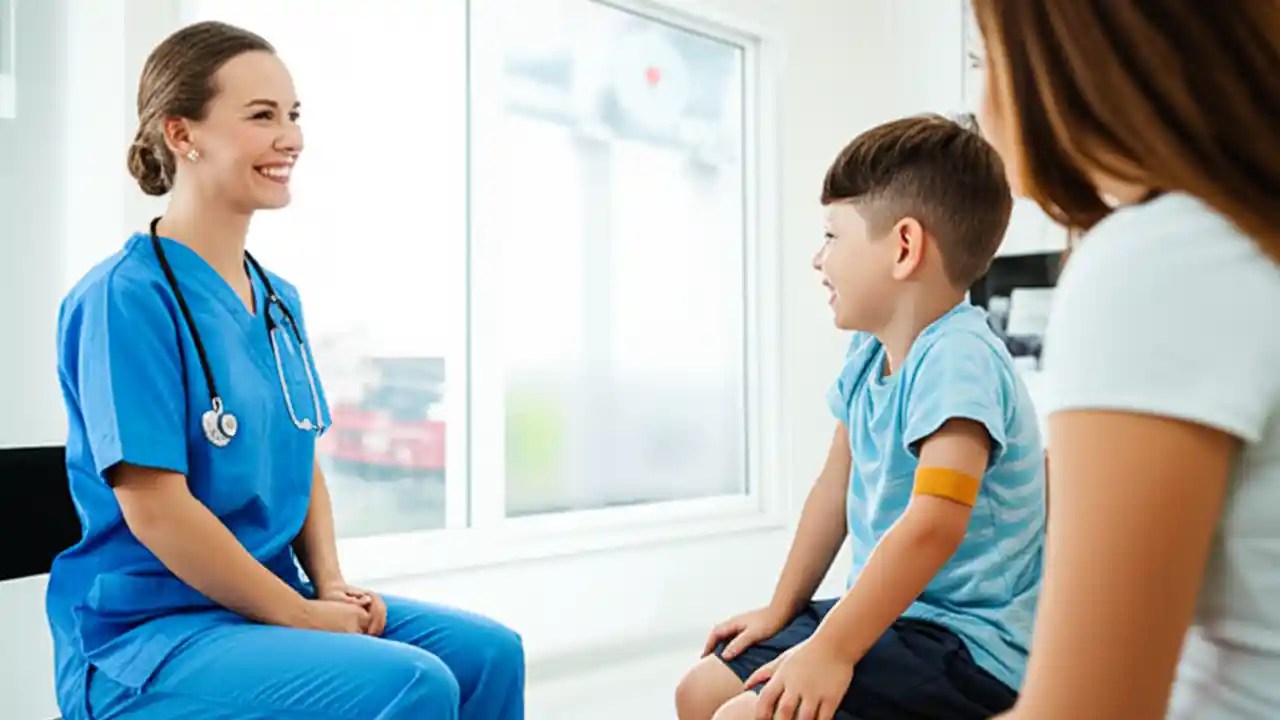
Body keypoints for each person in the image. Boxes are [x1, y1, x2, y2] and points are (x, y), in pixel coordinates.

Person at [46, 21, 524, 720]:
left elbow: (303, 461)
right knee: (411, 685)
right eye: (262, 116)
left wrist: (328, 584)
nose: (290, 138)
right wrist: (299, 615)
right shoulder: (124, 297)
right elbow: (156, 509)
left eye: (293, 115)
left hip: (265, 605)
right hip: (147, 641)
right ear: (183, 135)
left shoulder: (276, 300)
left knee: (489, 654)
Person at [675, 114, 1046, 720]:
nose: (818, 259)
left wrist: (833, 650)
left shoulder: (959, 358)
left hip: (967, 648)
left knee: (742, 717)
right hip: (894, 619)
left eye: (832, 236)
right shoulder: (867, 355)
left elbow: (935, 525)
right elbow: (833, 491)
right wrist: (782, 608)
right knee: (700, 690)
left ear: (904, 246)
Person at [968, 3, 1280, 719]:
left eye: (984, 61)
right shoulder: (1242, 243)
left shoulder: (1161, 262)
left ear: (1062, 61)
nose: (979, 103)